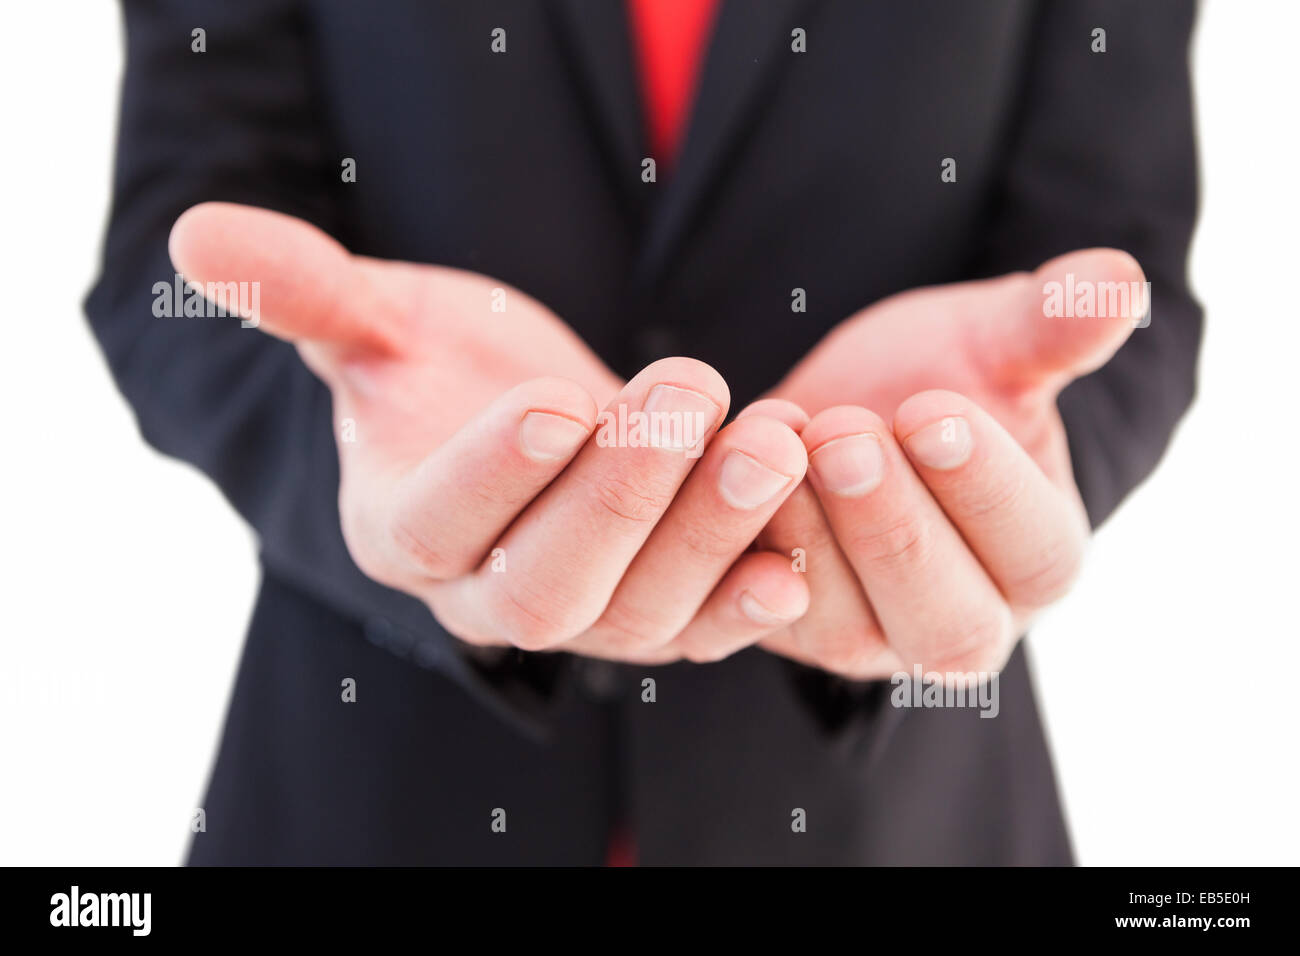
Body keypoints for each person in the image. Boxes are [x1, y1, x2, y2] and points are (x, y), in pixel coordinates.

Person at [86, 0, 1202, 865]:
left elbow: (1123, 276)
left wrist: (994, 475)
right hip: (374, 785)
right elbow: (168, 269)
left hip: (901, 812)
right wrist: (356, 458)